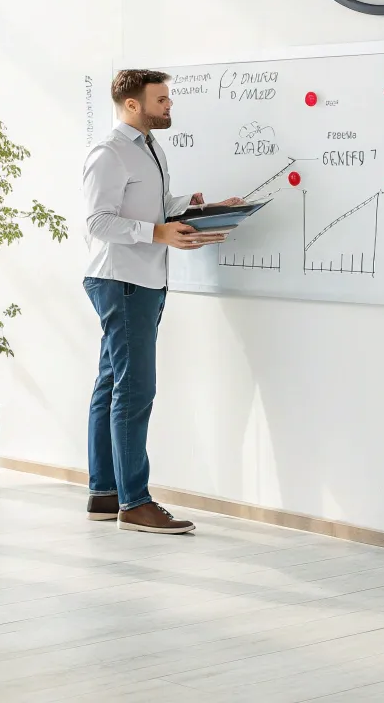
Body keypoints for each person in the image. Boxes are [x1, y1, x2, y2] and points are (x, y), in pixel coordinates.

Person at [80, 69, 240, 535]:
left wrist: (191, 206)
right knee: (134, 391)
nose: (169, 106)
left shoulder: (150, 148)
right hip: (122, 280)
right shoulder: (108, 153)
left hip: (141, 279)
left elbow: (145, 208)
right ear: (133, 104)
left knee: (113, 384)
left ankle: (105, 494)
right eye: (161, 100)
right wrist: (157, 232)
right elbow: (98, 222)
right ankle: (135, 503)